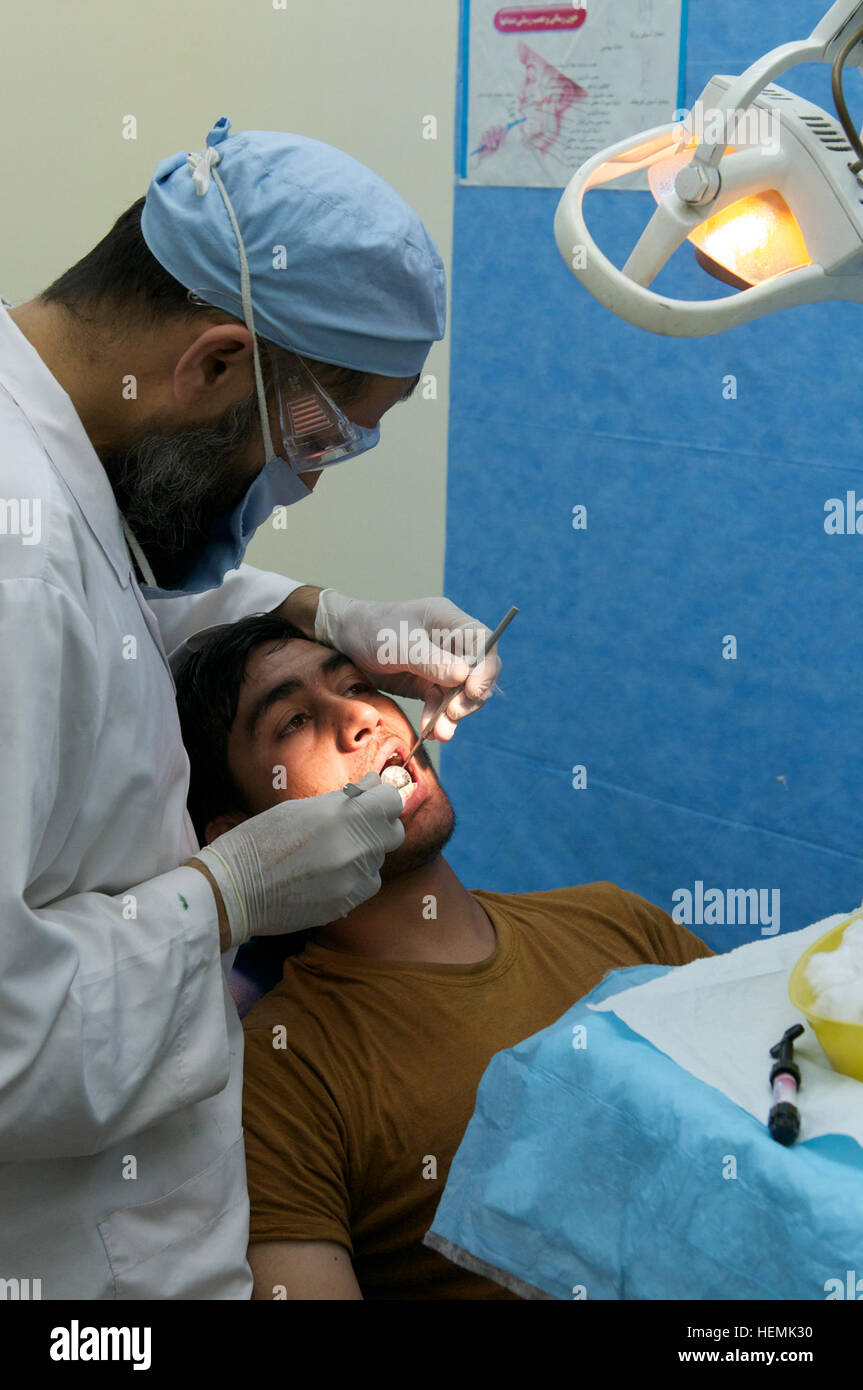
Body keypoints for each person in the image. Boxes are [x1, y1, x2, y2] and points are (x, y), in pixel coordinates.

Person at [0, 116, 501, 1299]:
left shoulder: (57, 465)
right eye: (319, 435)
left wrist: (328, 614)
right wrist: (225, 901)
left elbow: (100, 622)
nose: (311, 480)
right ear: (216, 363)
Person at [174, 614, 714, 1301]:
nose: (362, 718)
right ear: (240, 839)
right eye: (294, 723)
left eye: (359, 685)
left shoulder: (619, 923)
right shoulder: (278, 1075)